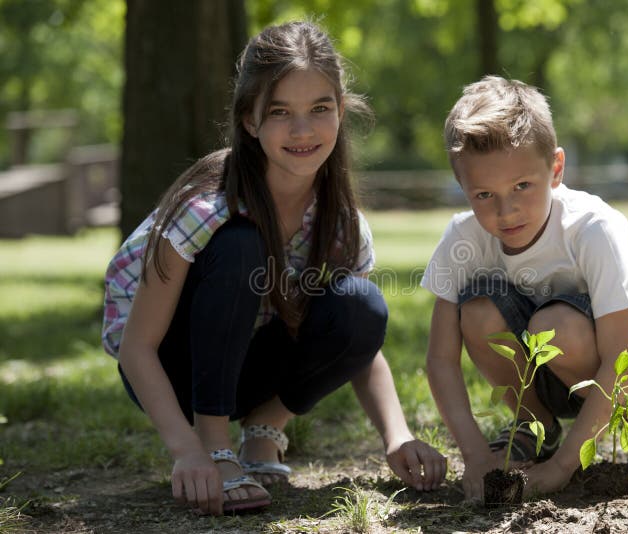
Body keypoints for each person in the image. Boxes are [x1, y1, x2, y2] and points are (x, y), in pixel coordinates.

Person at [102, 21, 446, 516]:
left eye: (319, 109)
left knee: (361, 304)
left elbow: (359, 342)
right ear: (249, 120)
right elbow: (137, 348)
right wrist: (192, 452)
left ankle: (263, 432)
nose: (302, 131)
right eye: (281, 112)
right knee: (243, 246)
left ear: (341, 111)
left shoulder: (342, 224)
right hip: (172, 370)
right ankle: (218, 444)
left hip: (250, 365)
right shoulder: (208, 206)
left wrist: (397, 436)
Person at [421, 76, 628, 502]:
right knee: (477, 308)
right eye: (483, 194)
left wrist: (561, 469)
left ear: (555, 169)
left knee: (552, 324)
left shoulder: (593, 227)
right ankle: (533, 427)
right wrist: (475, 455)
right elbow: (441, 361)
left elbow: (620, 359)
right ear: (463, 188)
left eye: (522, 186)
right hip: (538, 378)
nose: (506, 210)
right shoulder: (463, 238)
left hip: (624, 365)